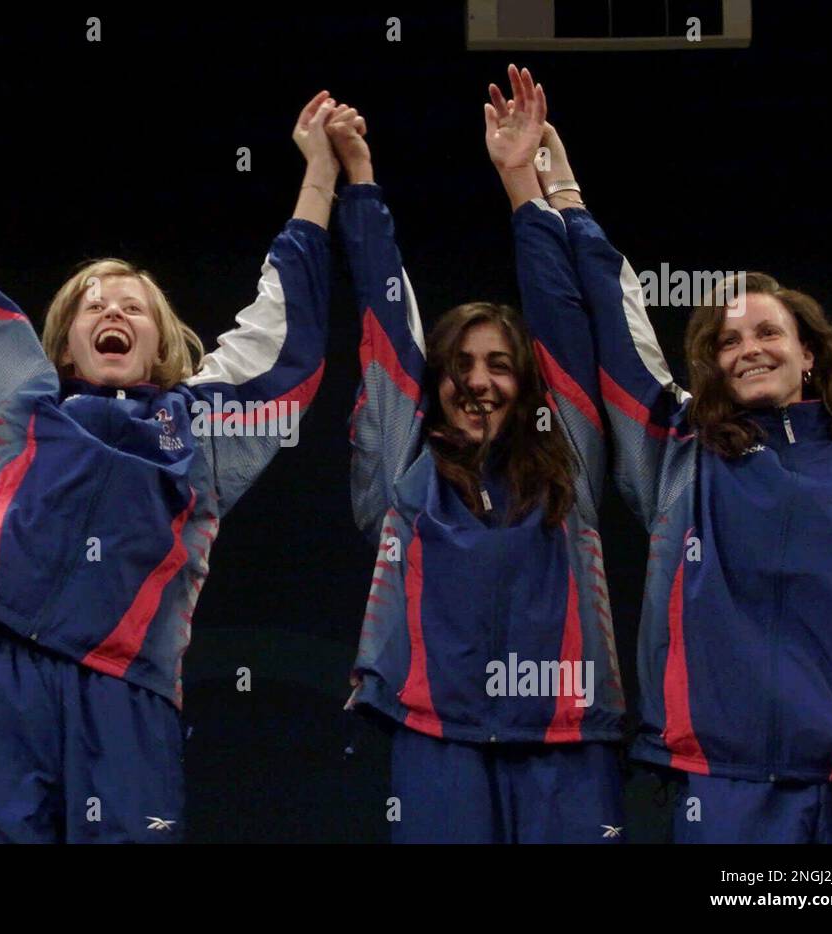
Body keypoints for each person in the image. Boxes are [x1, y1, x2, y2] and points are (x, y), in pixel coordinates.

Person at [0, 93, 336, 842]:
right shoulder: (21, 400)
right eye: (94, 306)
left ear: (160, 344)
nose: (114, 314)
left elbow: (282, 339)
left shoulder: (200, 431)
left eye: (134, 308)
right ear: (63, 345)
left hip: (127, 691)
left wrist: (321, 176)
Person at [514, 70, 832, 843]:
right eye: (727, 341)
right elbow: (612, 336)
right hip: (728, 783)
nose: (748, 349)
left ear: (810, 354)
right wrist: (551, 194)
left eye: (767, 333)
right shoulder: (685, 449)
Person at [335, 73, 625, 843]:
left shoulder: (571, 469)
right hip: (437, 735)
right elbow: (385, 314)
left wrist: (522, 184)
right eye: (461, 365)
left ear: (527, 382)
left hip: (564, 733)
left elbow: (562, 319)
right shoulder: (408, 471)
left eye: (501, 364)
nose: (479, 381)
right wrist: (358, 180)